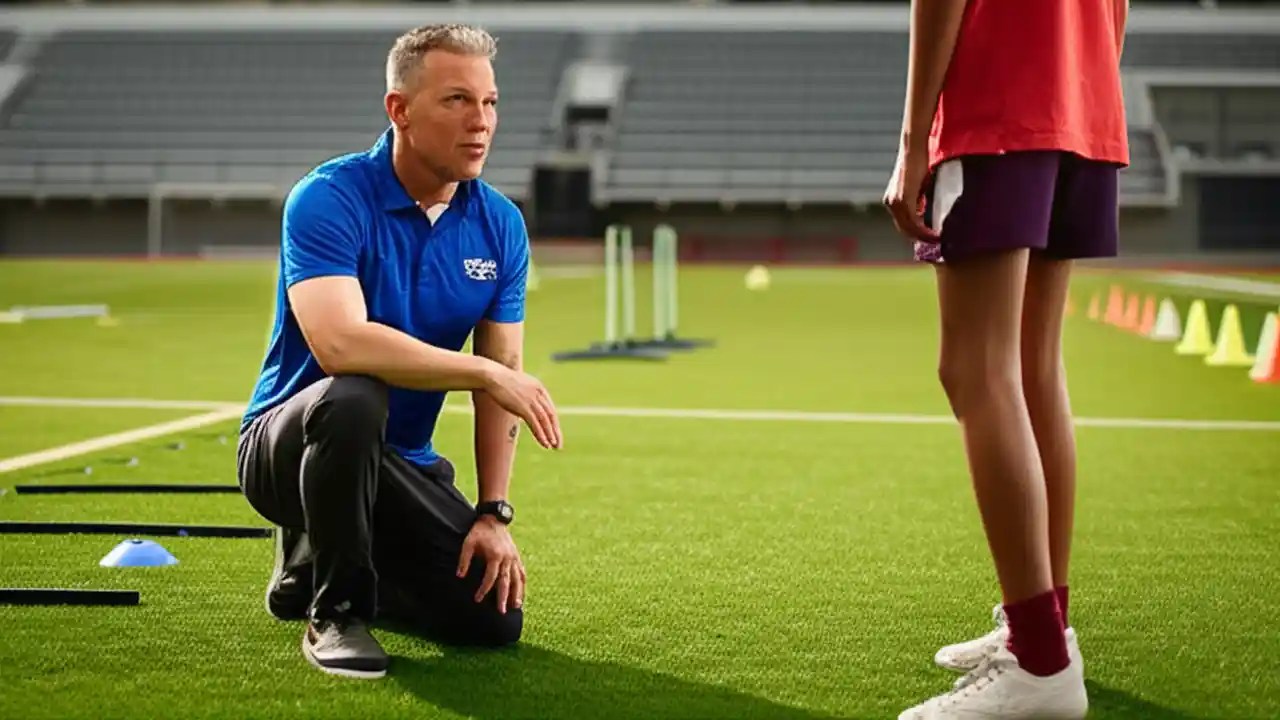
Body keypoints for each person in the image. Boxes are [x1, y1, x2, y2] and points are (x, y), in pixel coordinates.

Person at [236, 23, 563, 680]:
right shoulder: (327, 198)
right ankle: (336, 613)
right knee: (357, 394)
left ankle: (317, 561)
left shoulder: (499, 223)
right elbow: (339, 345)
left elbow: (503, 379)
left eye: (490, 102)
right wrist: (483, 371)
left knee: (490, 621)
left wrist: (493, 512)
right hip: (291, 446)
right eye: (457, 101)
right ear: (400, 110)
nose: (482, 122)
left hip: (398, 465)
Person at [883, 0, 1129, 717]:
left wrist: (913, 138)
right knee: (1032, 365)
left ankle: (1041, 664)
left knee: (976, 369)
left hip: (999, 101)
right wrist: (1085, 91)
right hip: (1083, 102)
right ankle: (1047, 631)